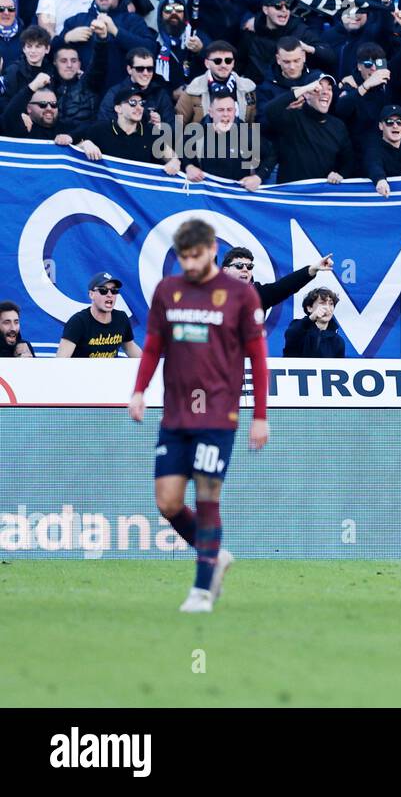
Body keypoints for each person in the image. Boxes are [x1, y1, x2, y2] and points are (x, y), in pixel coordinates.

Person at [127, 218, 269, 613]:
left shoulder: (240, 295)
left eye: (196, 256)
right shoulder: (168, 291)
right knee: (168, 502)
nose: (189, 265)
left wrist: (260, 414)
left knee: (208, 496)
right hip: (174, 415)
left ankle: (202, 589)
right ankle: (215, 555)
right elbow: (154, 345)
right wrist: (139, 391)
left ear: (211, 250)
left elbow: (257, 358)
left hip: (218, 414)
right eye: (183, 258)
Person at [56, 271, 141, 358]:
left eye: (114, 291)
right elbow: (62, 359)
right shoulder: (78, 322)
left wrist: (151, 366)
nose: (109, 295)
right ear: (91, 294)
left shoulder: (121, 318)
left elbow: (129, 347)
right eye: (103, 290)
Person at [222, 247, 334, 311]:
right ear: (225, 270)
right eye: (239, 265)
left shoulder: (257, 295)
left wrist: (313, 269)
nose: (245, 269)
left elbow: (285, 286)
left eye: (249, 266)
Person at [283, 287, 345, 358]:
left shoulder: (338, 341)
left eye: (331, 304)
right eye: (322, 303)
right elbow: (291, 334)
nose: (327, 308)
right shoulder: (297, 327)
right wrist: (312, 317)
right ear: (309, 308)